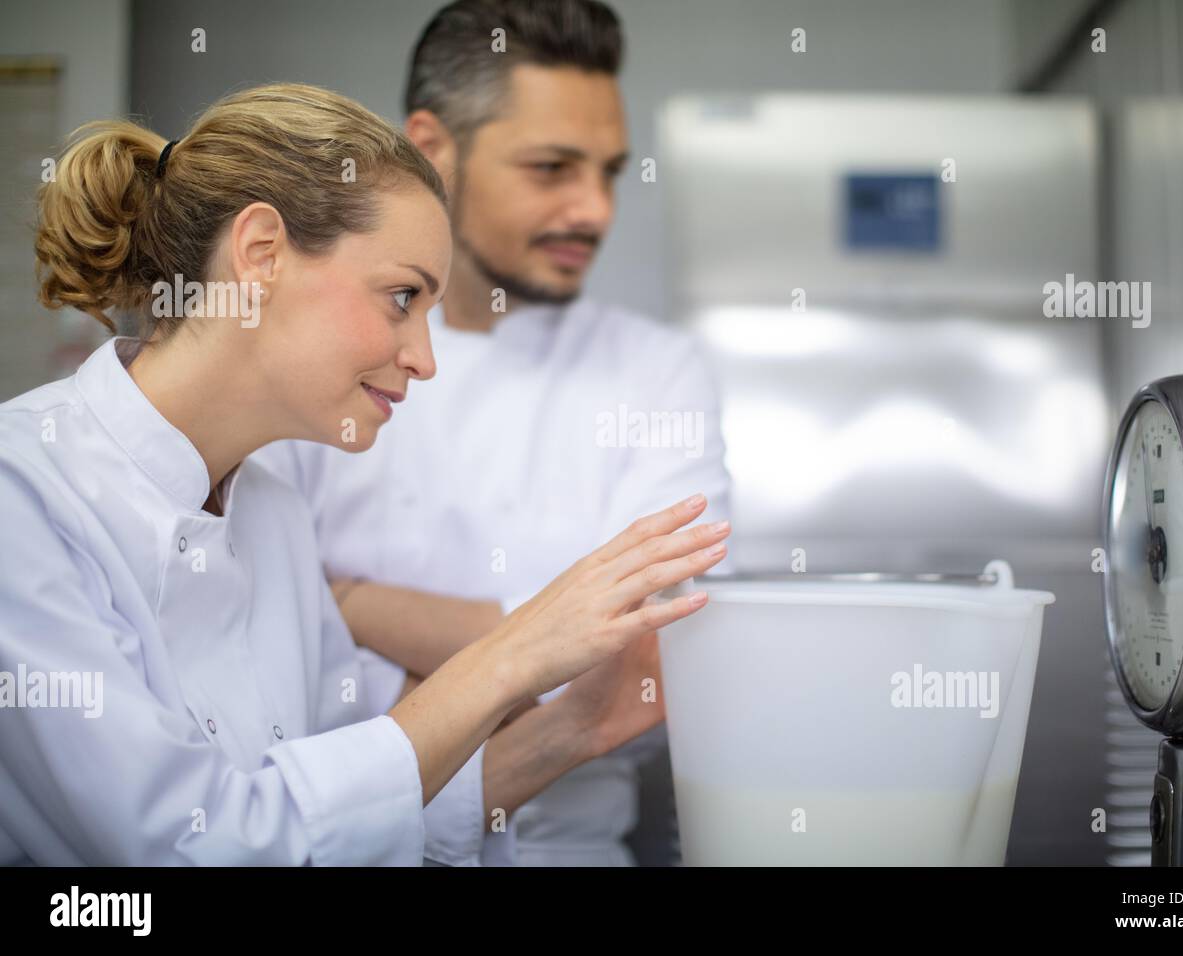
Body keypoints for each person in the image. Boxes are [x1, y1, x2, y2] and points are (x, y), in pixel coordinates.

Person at [0, 82, 729, 865]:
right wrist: (509, 652)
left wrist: (571, 727)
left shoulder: (270, 511)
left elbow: (363, 798)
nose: (424, 358)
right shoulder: (25, 495)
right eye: (402, 296)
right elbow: (197, 847)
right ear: (261, 255)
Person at [253, 0, 731, 867]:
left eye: (611, 171)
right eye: (552, 167)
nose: (594, 209)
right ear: (432, 148)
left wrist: (348, 603)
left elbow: (661, 648)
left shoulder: (656, 371)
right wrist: (546, 645)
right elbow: (264, 660)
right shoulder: (307, 363)